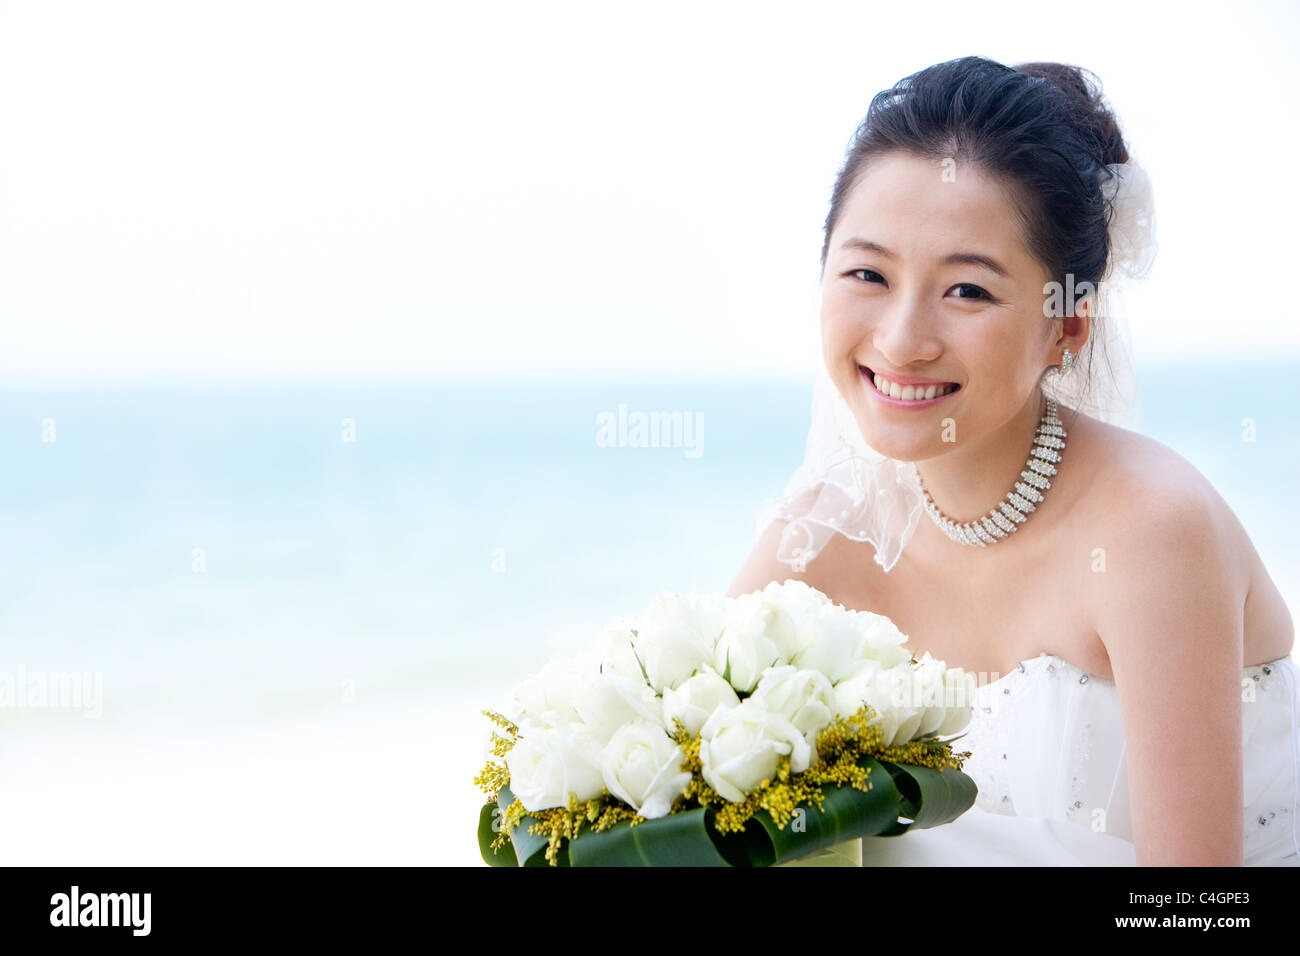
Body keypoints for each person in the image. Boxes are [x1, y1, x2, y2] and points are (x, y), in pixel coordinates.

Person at [728, 56, 1298, 866]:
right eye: (867, 273)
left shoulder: (1151, 532)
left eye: (967, 291)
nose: (900, 340)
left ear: (1067, 328)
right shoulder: (823, 535)